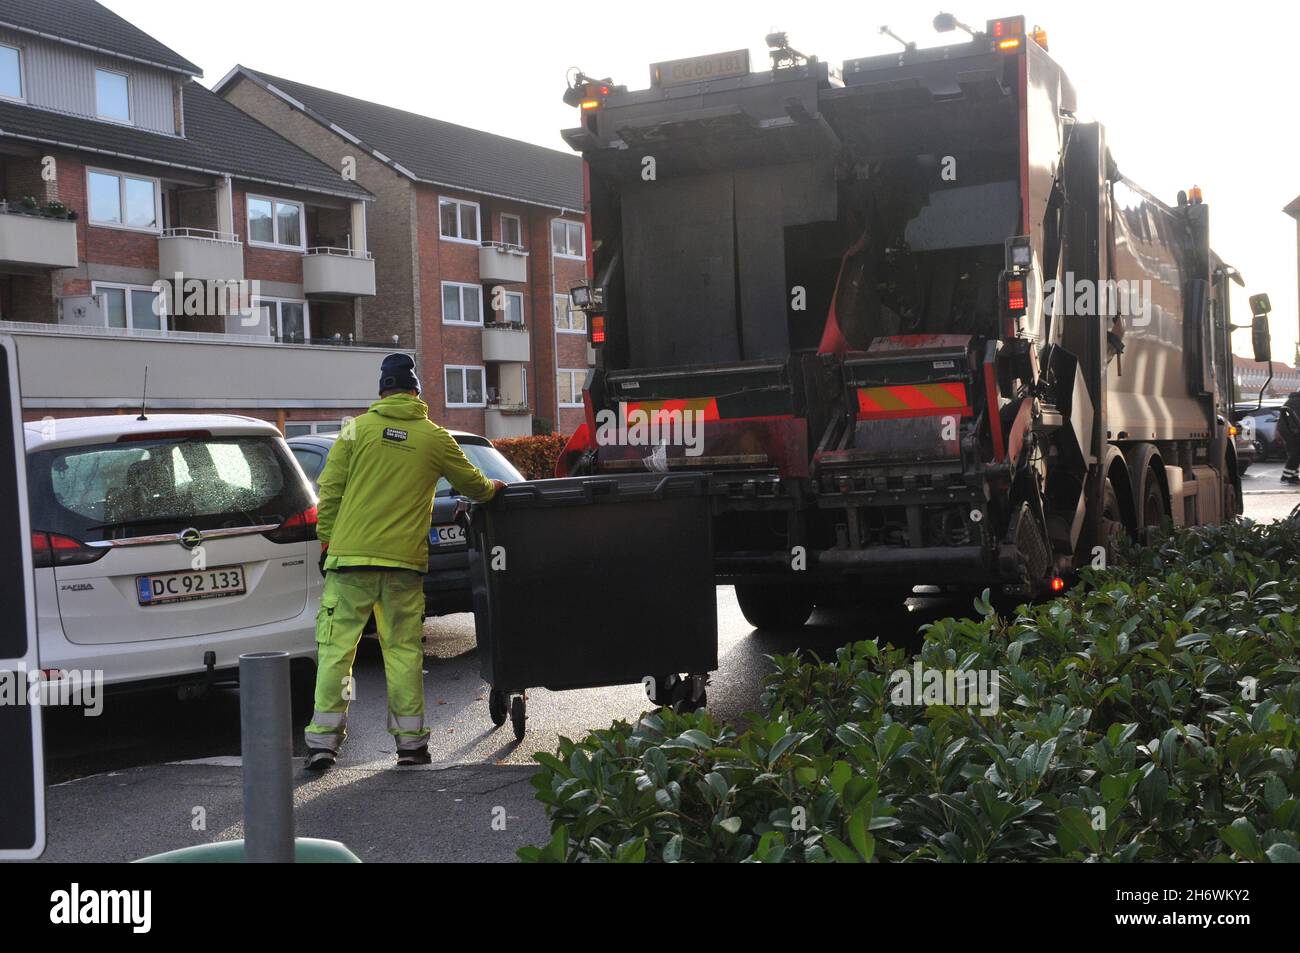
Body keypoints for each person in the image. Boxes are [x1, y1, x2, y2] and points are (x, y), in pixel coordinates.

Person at [304, 353, 505, 770]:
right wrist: (493, 487)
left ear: (382, 392)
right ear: (416, 392)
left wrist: (328, 543)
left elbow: (330, 494)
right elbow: (476, 486)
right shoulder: (434, 438)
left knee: (337, 651)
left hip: (350, 563)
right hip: (402, 567)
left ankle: (323, 743)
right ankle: (411, 745)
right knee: (403, 652)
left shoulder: (355, 432)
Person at [1280, 391, 1300, 486]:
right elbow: (1295, 418)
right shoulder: (1296, 402)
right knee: (1296, 454)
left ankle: (1293, 476)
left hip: (1288, 430)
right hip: (1293, 431)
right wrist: (1296, 431)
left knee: (1294, 453)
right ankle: (1286, 477)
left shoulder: (1292, 400)